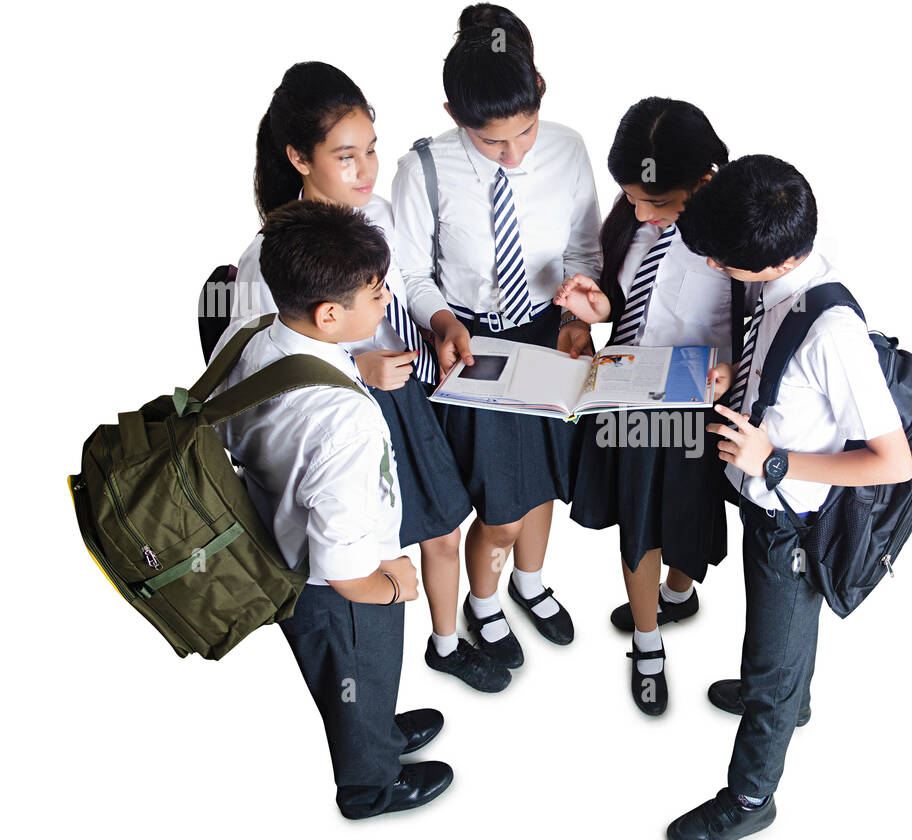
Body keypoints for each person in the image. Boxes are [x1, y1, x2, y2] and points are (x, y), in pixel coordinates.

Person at [216, 62, 506, 693]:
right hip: (343, 417)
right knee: (367, 556)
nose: (367, 170)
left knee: (443, 530)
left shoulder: (374, 208)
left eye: (371, 150)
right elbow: (258, 369)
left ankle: (447, 643)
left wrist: (440, 319)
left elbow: (402, 281)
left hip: (408, 395)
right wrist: (357, 366)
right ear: (298, 157)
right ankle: (374, 706)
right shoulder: (265, 259)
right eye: (345, 157)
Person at [667, 155, 912, 840]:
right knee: (772, 643)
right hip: (762, 507)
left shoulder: (832, 332)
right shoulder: (783, 284)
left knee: (775, 659)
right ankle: (780, 689)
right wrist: (734, 383)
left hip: (793, 525)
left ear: (772, 261)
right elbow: (780, 378)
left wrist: (772, 461)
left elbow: (892, 461)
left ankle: (750, 796)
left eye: (723, 263)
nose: (717, 269)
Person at [210, 200, 454, 819]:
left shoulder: (255, 338)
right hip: (336, 587)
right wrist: (398, 585)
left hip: (279, 542)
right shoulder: (343, 418)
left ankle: (381, 728)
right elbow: (346, 571)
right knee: (355, 668)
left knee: (356, 679)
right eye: (375, 295)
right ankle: (370, 785)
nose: (384, 304)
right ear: (329, 313)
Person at [392, 4, 601, 667]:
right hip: (470, 343)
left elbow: (583, 252)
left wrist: (574, 318)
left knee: (543, 484)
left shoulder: (567, 149)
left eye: (526, 132)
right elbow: (411, 272)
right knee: (499, 503)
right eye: (492, 143)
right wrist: (443, 320)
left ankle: (530, 584)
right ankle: (484, 605)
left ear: (540, 90)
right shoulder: (422, 168)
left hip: (547, 335)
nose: (515, 155)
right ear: (455, 116)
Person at [555, 97, 734, 716]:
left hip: (698, 405)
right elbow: (624, 302)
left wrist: (731, 371)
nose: (640, 213)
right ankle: (647, 638)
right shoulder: (632, 222)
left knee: (692, 517)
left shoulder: (733, 238)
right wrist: (595, 310)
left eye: (656, 203)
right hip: (628, 399)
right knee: (641, 520)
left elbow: (757, 323)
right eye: (631, 198)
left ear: (705, 181)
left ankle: (679, 594)